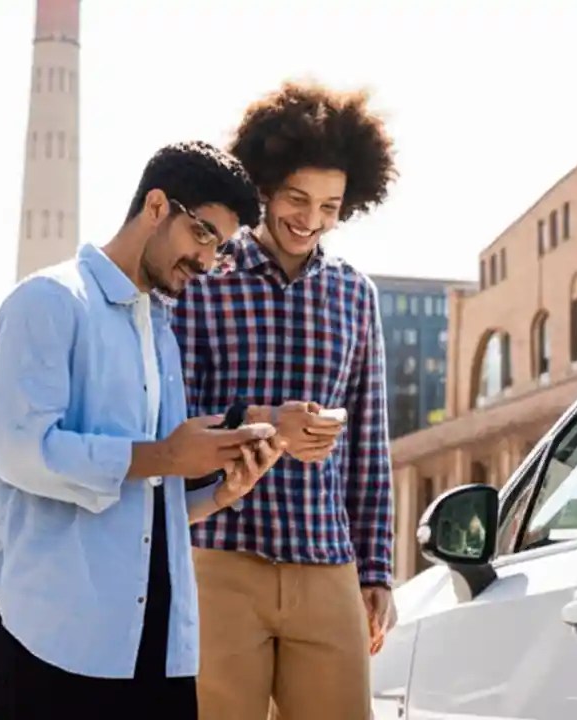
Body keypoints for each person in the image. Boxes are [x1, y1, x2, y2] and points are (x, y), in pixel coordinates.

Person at [0, 140, 287, 720]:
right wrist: (164, 455)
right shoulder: (49, 302)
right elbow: (23, 452)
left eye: (222, 247)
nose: (208, 260)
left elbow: (143, 510)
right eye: (203, 233)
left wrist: (219, 491)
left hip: (154, 651)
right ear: (157, 206)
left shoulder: (160, 332)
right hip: (49, 643)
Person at [171, 81, 400, 719]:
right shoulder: (205, 282)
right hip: (220, 555)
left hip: (326, 560)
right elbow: (175, 422)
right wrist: (267, 424)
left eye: (330, 205)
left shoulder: (357, 296)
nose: (311, 218)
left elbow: (369, 449)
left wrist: (376, 570)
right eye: (297, 197)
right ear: (265, 186)